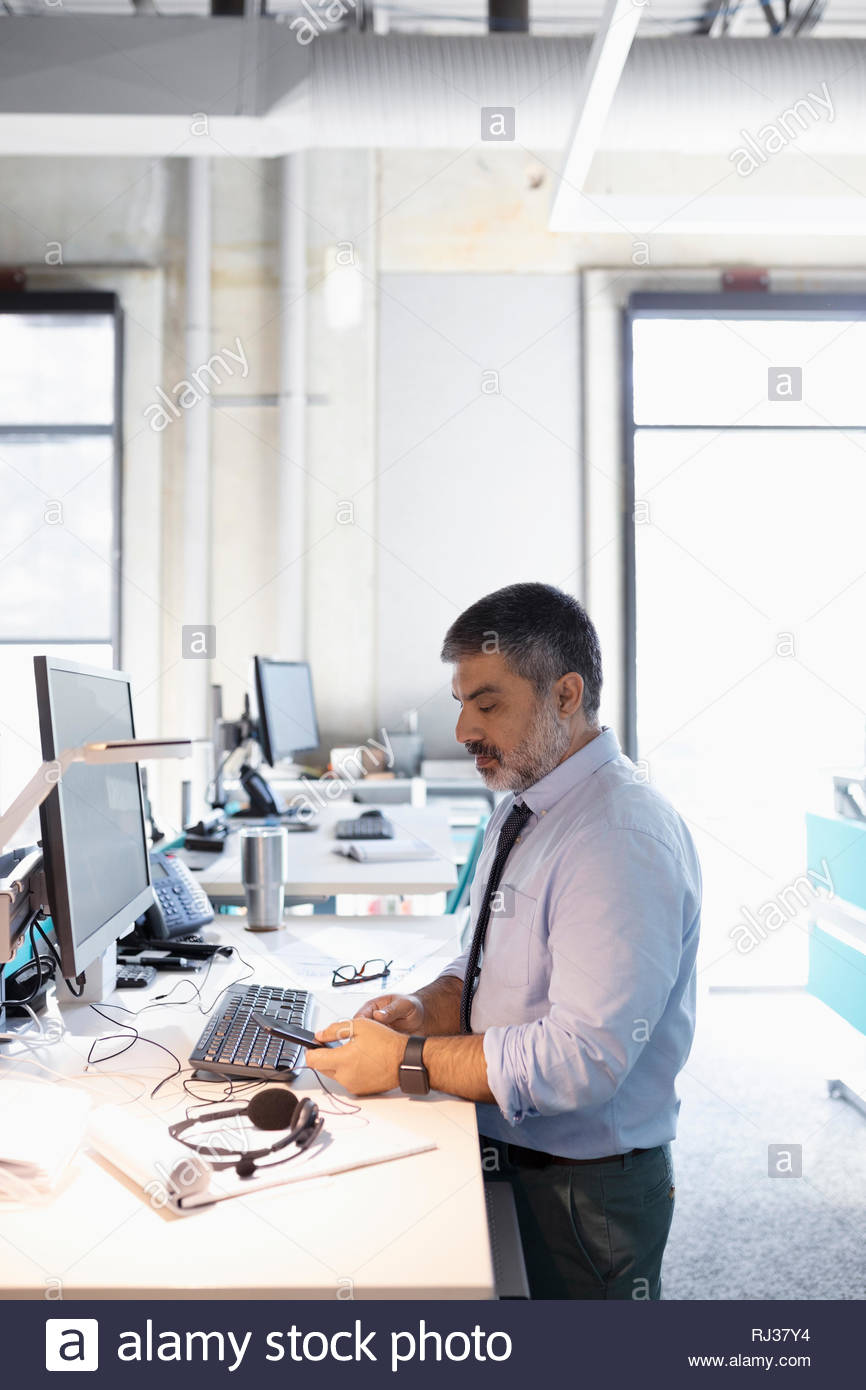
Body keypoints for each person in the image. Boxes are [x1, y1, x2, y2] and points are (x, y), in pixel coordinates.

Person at [307, 581, 701, 1300]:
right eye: (460, 703)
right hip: (513, 1148)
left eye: (487, 704)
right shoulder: (529, 803)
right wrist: (428, 1008)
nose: (463, 730)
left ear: (565, 695)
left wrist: (407, 1061)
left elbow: (584, 1060)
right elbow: (486, 960)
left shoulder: (618, 837)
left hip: (585, 1193)